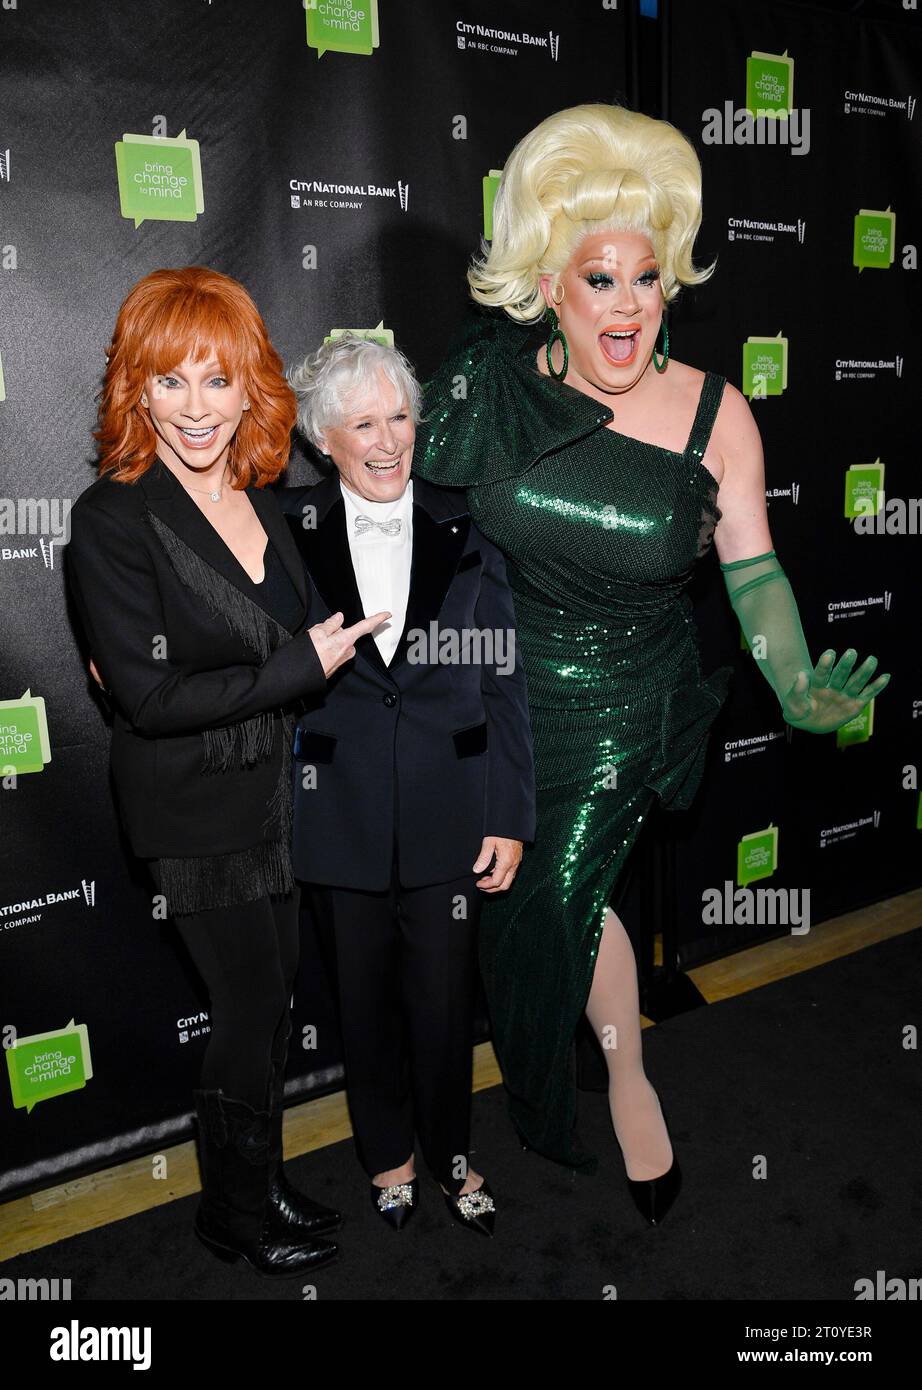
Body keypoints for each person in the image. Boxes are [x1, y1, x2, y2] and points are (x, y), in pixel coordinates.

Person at [411, 103, 891, 1225]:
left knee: (559, 882)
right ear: (547, 282)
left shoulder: (715, 414)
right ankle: (590, 1058)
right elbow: (408, 517)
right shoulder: (489, 385)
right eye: (599, 280)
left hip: (630, 696)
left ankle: (627, 1082)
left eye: (648, 278)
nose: (627, 306)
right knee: (534, 913)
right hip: (504, 698)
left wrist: (789, 679)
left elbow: (755, 573)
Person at [67, 266, 387, 1276]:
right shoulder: (113, 519)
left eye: (217, 380)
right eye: (171, 383)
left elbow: (293, 633)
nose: (196, 408)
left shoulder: (263, 499)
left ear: (252, 384)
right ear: (137, 390)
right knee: (249, 1006)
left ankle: (259, 1184)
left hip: (274, 796)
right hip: (191, 809)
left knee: (272, 1001)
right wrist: (301, 663)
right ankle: (232, 1216)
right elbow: (149, 701)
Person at [280, 333, 536, 1236]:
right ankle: (386, 1157)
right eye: (363, 424)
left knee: (442, 1006)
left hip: (452, 814)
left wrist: (510, 812)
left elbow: (503, 677)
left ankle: (453, 1157)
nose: (387, 441)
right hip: (338, 820)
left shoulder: (466, 522)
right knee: (362, 1008)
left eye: (400, 417)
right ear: (323, 440)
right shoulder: (287, 530)